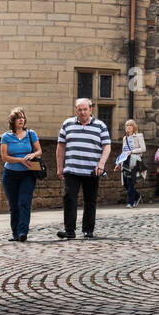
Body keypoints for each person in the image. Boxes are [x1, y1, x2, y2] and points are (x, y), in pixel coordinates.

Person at [56, 98, 111, 239]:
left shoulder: (100, 126)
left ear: (91, 109)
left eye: (85, 109)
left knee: (90, 201)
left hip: (92, 170)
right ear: (76, 110)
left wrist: (101, 164)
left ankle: (88, 230)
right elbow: (61, 146)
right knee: (69, 198)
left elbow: (107, 147)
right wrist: (59, 167)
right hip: (71, 169)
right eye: (79, 109)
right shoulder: (67, 124)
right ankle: (69, 230)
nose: (82, 112)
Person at [0, 108, 41, 241]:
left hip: (27, 174)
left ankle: (23, 232)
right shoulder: (6, 137)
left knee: (24, 202)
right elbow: (4, 157)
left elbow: (39, 151)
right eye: (19, 118)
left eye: (23, 117)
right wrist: (20, 160)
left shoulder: (30, 134)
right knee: (13, 204)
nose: (22, 120)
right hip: (10, 175)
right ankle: (15, 233)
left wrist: (32, 154)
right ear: (13, 121)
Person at [115, 118, 146, 207]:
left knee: (130, 182)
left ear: (134, 127)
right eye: (127, 125)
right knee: (125, 183)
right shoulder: (125, 138)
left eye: (130, 125)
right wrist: (118, 164)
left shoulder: (139, 136)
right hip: (125, 161)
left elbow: (143, 148)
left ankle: (130, 202)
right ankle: (137, 196)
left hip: (133, 161)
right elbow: (123, 152)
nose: (128, 127)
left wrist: (132, 151)